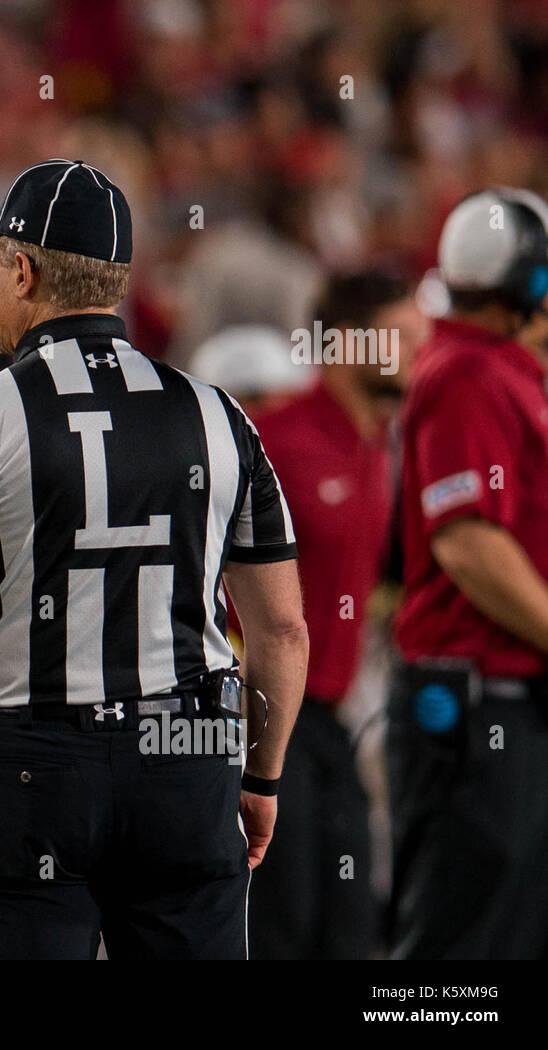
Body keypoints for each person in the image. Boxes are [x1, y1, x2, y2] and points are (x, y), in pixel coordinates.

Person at [0, 159, 309, 959]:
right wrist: (262, 777)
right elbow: (280, 630)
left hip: (30, 762)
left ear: (22, 268)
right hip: (186, 753)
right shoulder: (220, 415)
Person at [244, 272, 426, 959]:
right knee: (280, 932)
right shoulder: (276, 442)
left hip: (333, 728)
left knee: (351, 931)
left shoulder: (378, 444)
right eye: (405, 338)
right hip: (263, 726)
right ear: (349, 345)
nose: (420, 352)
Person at [389, 188, 548, 959]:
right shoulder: (466, 374)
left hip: (506, 697)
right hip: (476, 698)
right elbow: (467, 541)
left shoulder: (498, 370)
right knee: (458, 952)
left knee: (505, 934)